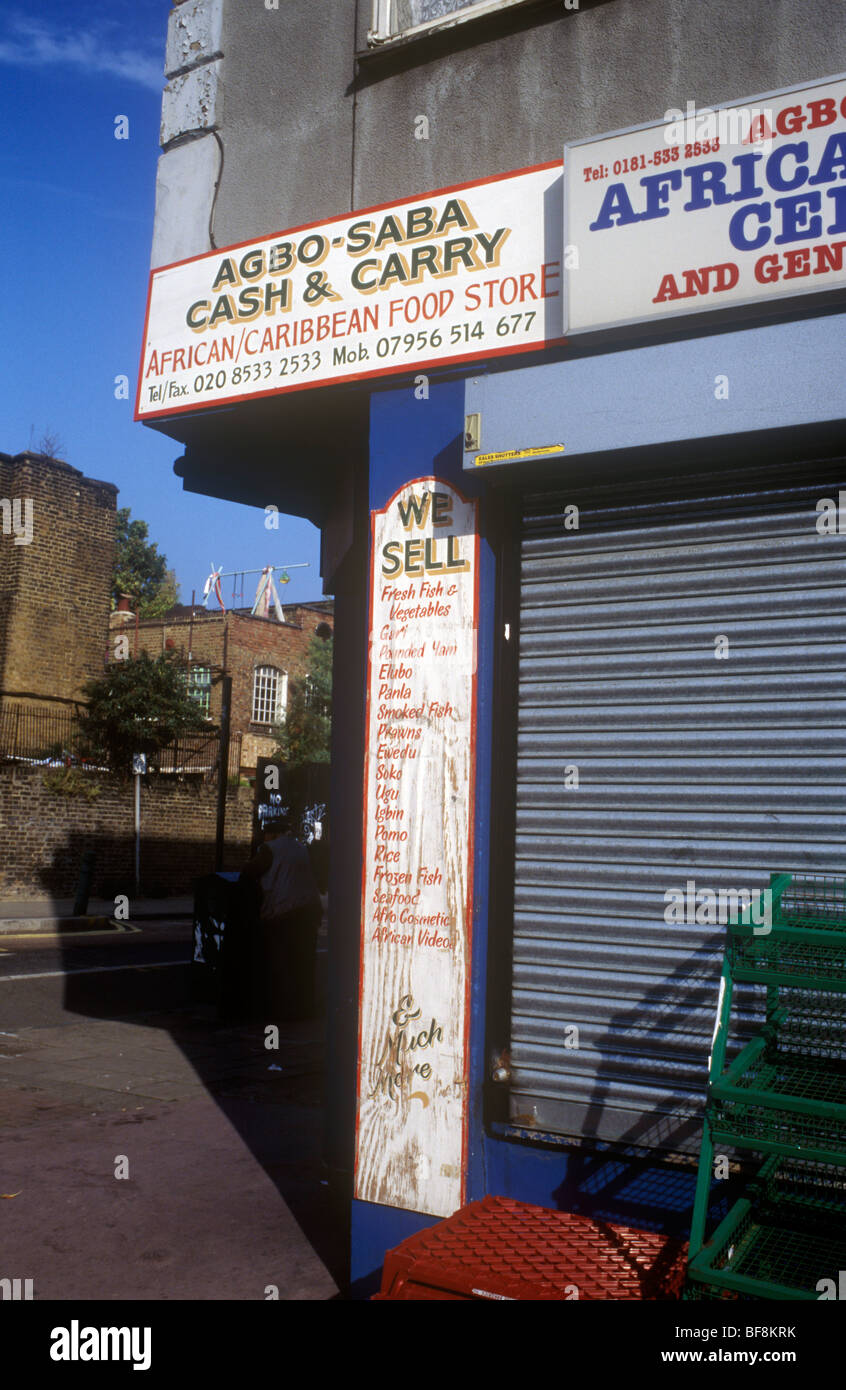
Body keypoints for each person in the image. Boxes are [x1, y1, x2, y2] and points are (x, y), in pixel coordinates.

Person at [240, 818, 322, 1020]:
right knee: (304, 962)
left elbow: (249, 872)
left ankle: (282, 1010)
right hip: (310, 910)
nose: (264, 838)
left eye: (266, 835)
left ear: (272, 835)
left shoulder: (269, 849)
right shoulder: (301, 847)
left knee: (281, 963)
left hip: (285, 912)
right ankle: (305, 1008)